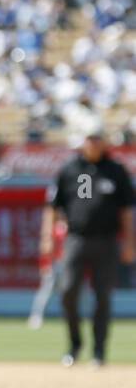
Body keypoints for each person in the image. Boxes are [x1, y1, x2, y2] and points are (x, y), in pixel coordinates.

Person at [43, 130, 136, 366]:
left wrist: (129, 241)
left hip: (106, 241)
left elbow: (127, 210)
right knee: (68, 291)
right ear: (83, 142)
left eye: (98, 138)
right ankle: (74, 345)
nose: (94, 143)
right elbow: (53, 206)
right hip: (76, 239)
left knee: (103, 297)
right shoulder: (70, 169)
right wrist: (47, 238)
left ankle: (99, 351)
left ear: (104, 142)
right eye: (90, 139)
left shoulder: (116, 170)